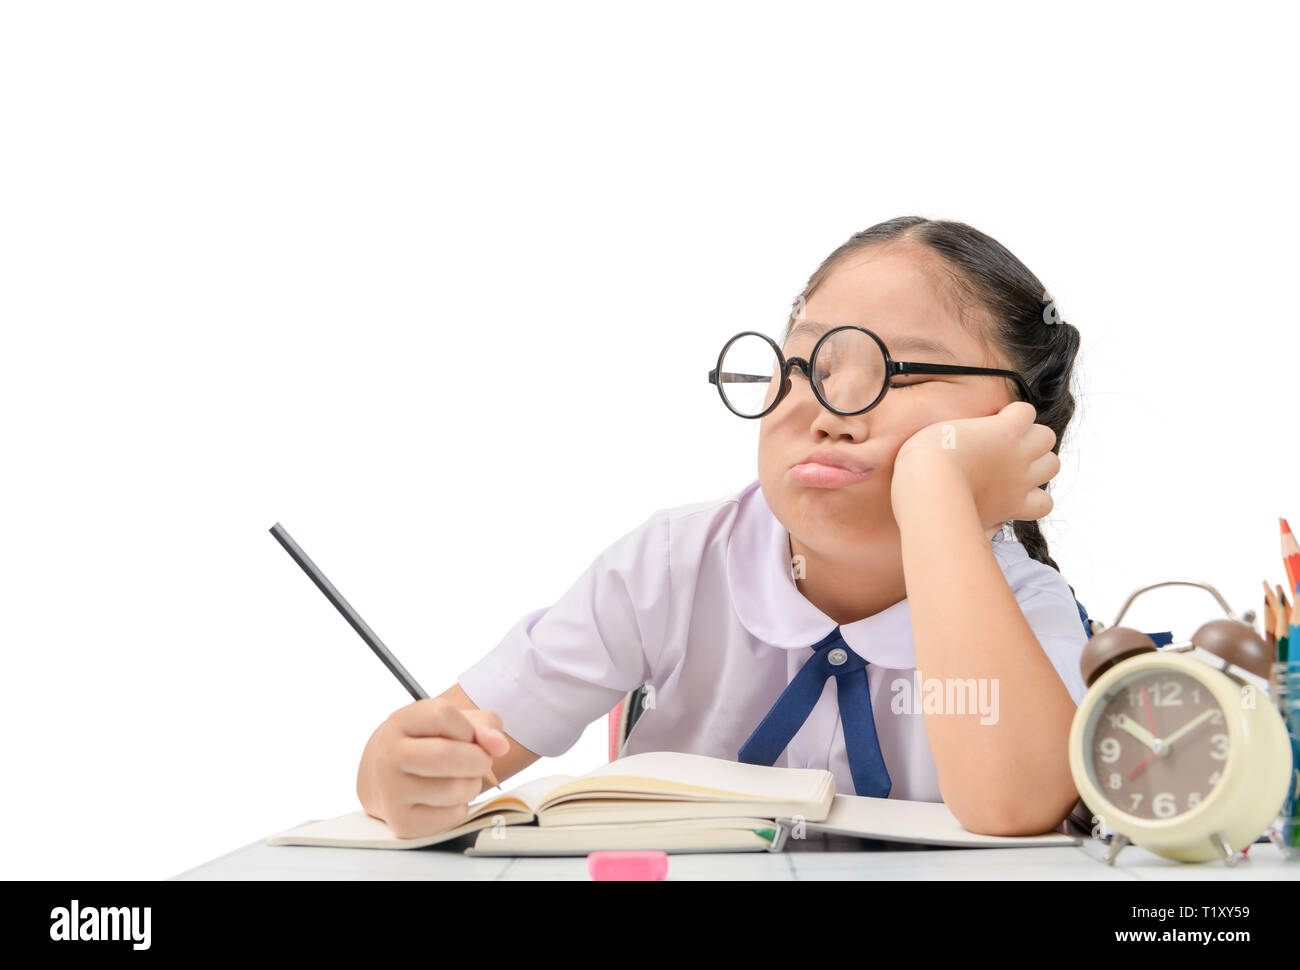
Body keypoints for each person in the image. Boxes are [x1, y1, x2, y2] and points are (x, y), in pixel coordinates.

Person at [355, 215, 1089, 839]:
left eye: (900, 372)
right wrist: (400, 772)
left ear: (1023, 429)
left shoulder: (1027, 610)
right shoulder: (672, 565)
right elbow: (449, 745)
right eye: (806, 360)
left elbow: (1015, 805)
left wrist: (937, 492)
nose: (829, 409)